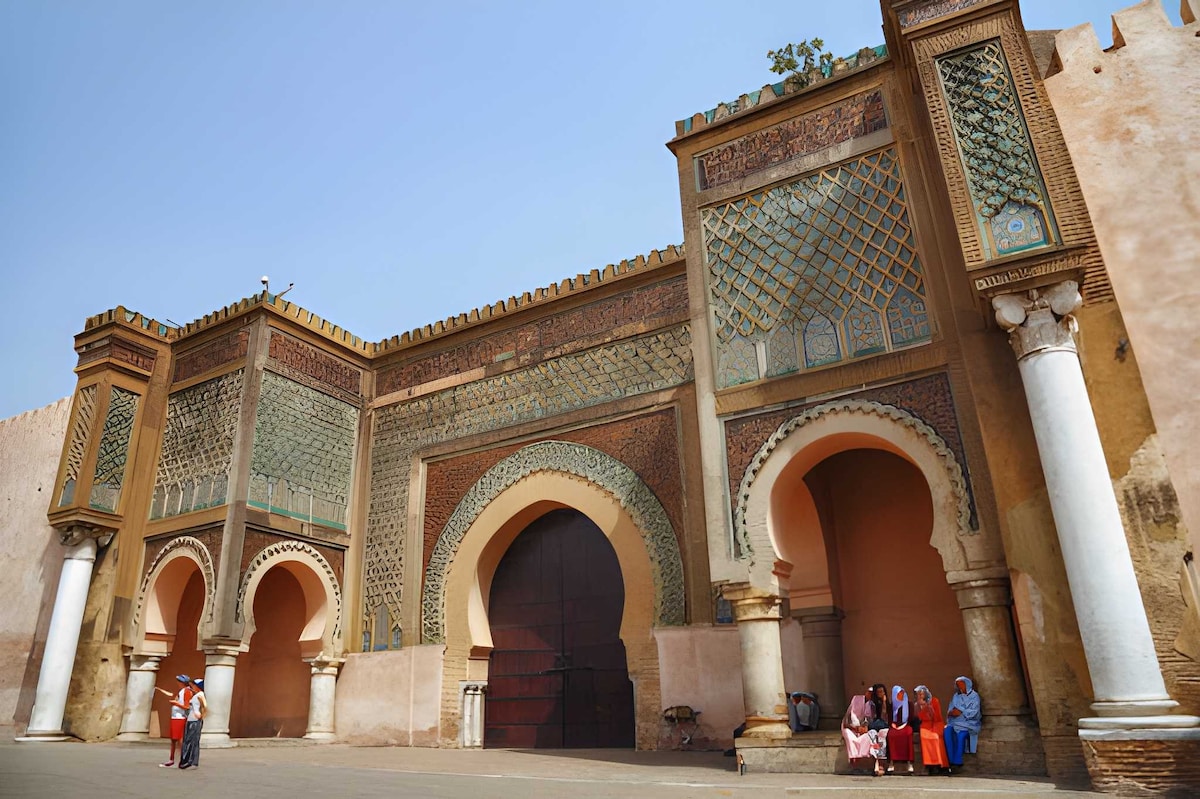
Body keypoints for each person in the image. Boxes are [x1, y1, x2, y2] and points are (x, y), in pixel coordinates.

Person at [943, 676, 982, 774]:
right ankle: (950, 761)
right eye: (957, 684)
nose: (959, 686)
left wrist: (961, 711)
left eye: (961, 684)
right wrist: (951, 713)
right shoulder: (956, 696)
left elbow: (974, 712)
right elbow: (950, 709)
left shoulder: (974, 696)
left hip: (969, 724)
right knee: (947, 732)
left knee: (960, 736)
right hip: (955, 722)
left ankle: (957, 761)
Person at [154, 674, 193, 767]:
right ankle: (172, 759)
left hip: (180, 718)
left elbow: (186, 706)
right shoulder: (182, 691)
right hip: (175, 717)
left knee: (179, 739)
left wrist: (175, 703)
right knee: (174, 739)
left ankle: (180, 760)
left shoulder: (187, 691)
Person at [914, 684, 949, 774]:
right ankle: (930, 764)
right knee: (925, 737)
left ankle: (941, 764)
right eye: (918, 694)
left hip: (936, 723)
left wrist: (928, 707)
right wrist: (922, 707)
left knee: (936, 738)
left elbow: (937, 716)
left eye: (921, 694)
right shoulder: (917, 704)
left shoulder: (934, 701)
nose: (920, 696)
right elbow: (919, 717)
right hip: (925, 724)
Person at [178, 677, 207, 769]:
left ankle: (192, 762)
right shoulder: (196, 694)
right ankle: (186, 761)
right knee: (188, 740)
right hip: (190, 719)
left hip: (195, 720)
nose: (192, 686)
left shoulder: (200, 695)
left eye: (194, 685)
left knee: (193, 741)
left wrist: (201, 715)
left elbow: (204, 706)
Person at [886, 685, 916, 774]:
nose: (901, 695)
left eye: (902, 693)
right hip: (894, 726)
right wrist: (893, 725)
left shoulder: (909, 704)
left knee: (908, 733)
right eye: (899, 693)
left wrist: (903, 725)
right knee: (891, 734)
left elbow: (911, 718)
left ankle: (909, 762)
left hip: (906, 725)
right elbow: (890, 719)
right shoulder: (892, 705)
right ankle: (892, 762)